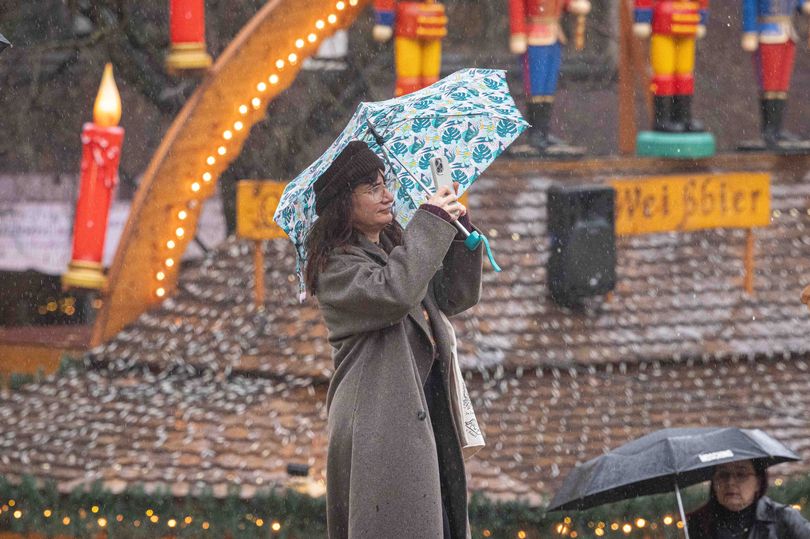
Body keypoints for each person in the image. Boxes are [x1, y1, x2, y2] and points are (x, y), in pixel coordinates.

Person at [305, 141, 483, 539]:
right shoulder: (335, 267)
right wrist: (430, 223)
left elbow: (454, 296)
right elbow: (394, 293)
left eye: (386, 184)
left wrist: (457, 232)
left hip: (424, 410)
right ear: (343, 204)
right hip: (378, 426)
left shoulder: (394, 249)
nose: (388, 196)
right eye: (373, 188)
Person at [688, 459, 810, 538]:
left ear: (758, 482)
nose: (730, 482)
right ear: (714, 482)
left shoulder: (783, 519)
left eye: (741, 474)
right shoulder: (699, 523)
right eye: (723, 475)